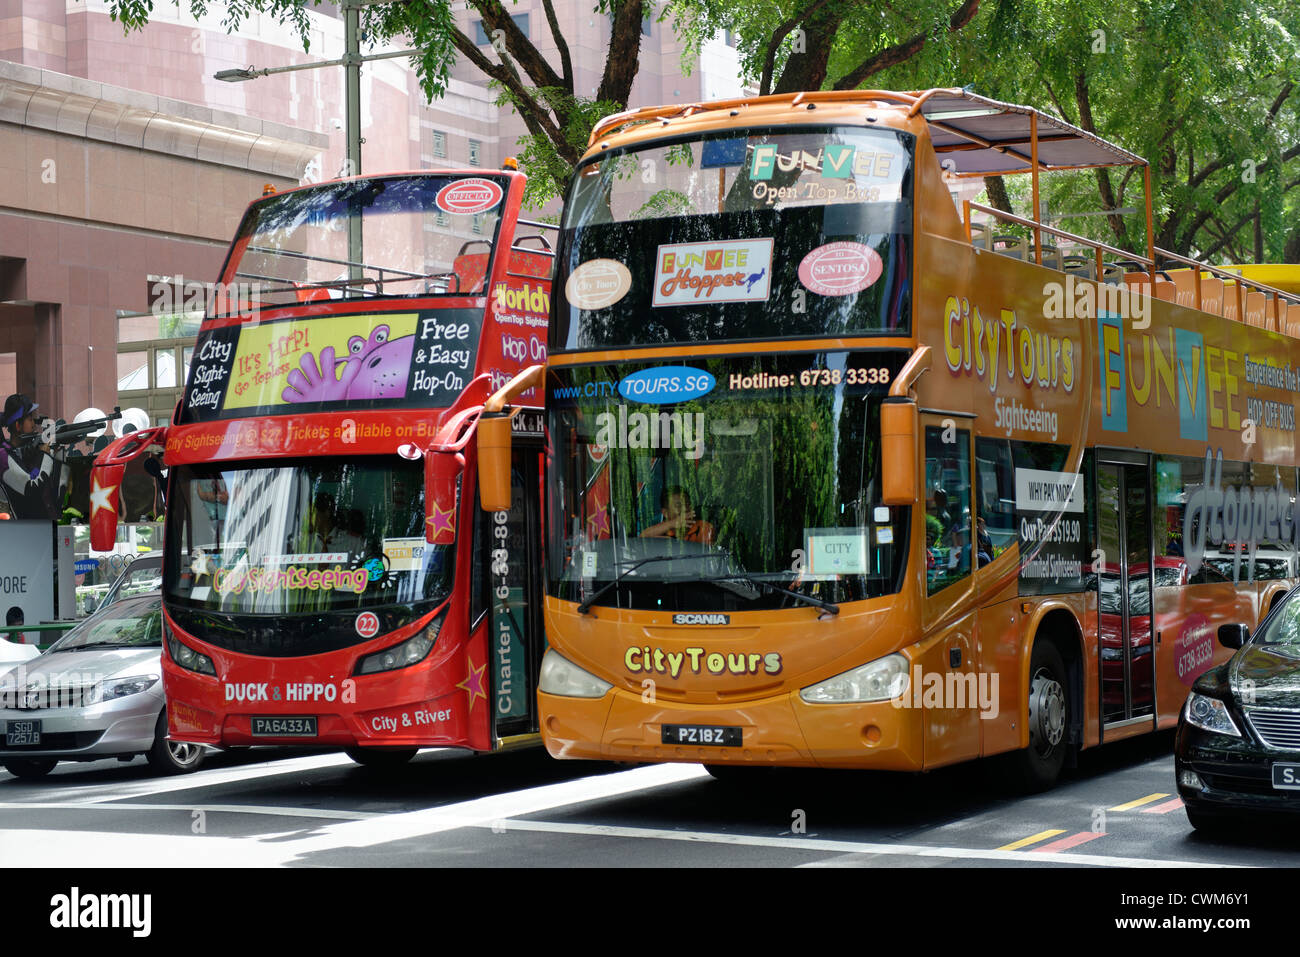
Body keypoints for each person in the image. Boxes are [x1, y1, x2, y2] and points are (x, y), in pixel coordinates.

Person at [0, 393, 67, 520]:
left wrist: (54, 454)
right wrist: (45, 454)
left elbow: (37, 477)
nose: (33, 424)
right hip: (28, 531)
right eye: (30, 419)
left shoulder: (26, 451)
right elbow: (33, 487)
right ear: (18, 425)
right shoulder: (3, 456)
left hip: (45, 527)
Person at [641, 485, 714, 544]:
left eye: (688, 504)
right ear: (665, 513)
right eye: (678, 506)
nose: (685, 509)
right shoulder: (661, 530)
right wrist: (671, 524)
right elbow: (641, 539)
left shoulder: (704, 528)